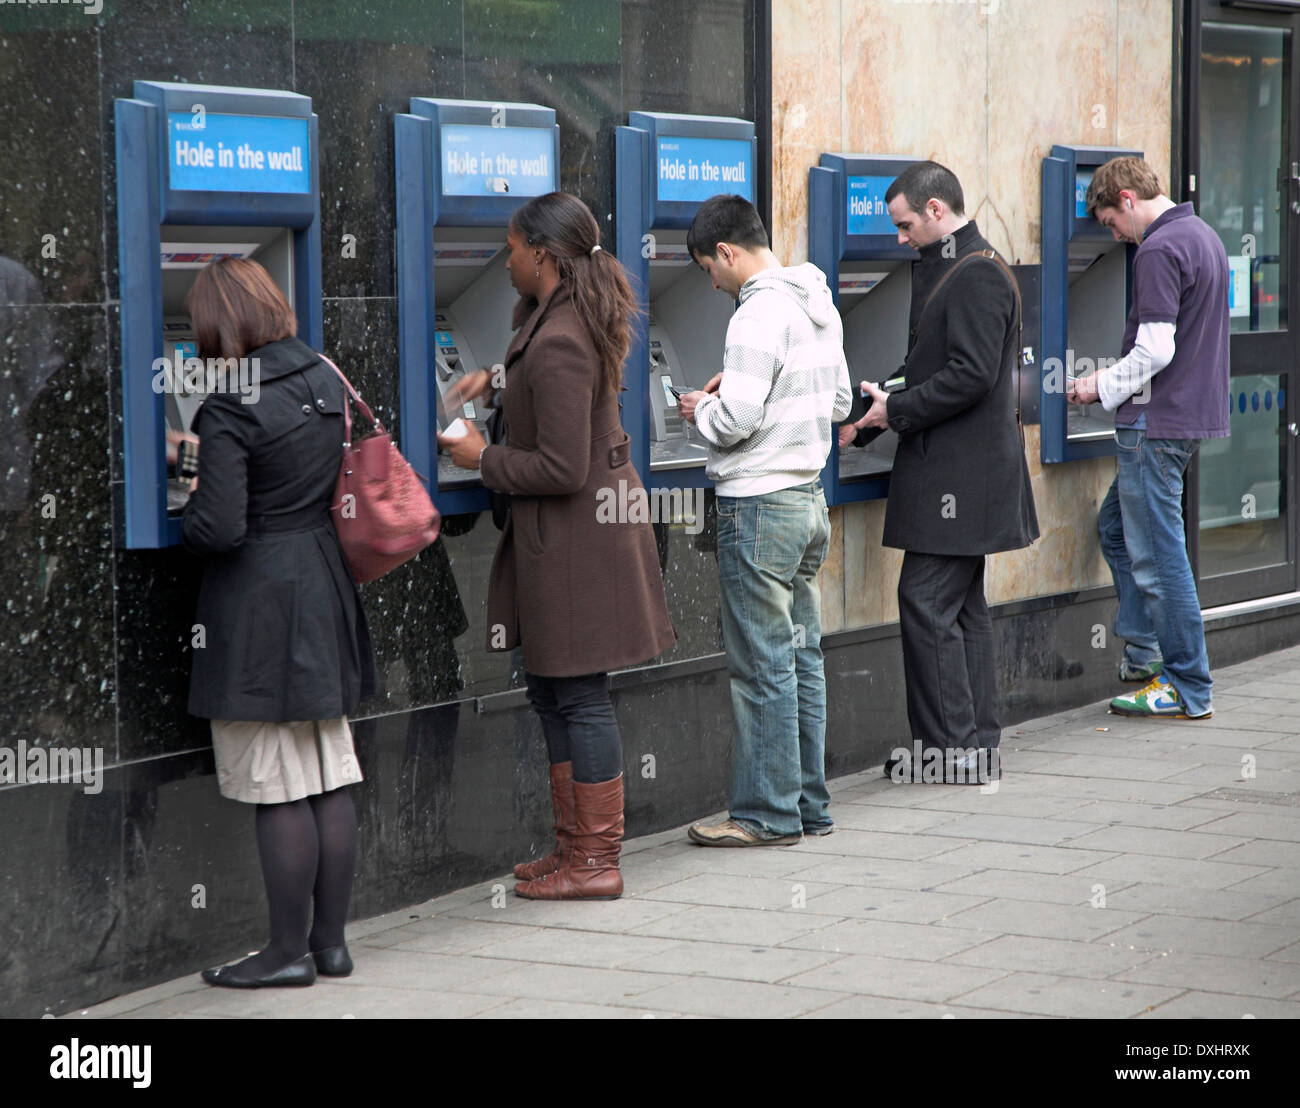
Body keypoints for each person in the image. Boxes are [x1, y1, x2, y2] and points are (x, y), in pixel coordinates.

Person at [438, 191, 675, 899]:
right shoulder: (553, 318)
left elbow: (562, 466)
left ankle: (597, 863)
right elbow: (547, 389)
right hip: (568, 539)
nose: (504, 261)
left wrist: (482, 457)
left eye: (510, 249)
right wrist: (500, 383)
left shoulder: (564, 334)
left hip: (581, 542)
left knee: (578, 694)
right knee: (550, 688)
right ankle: (574, 849)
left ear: (540, 254)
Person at [182, 258, 377, 987]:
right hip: (321, 580)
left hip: (260, 599)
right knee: (327, 769)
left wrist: (190, 476)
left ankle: (284, 954)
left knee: (275, 780)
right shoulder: (324, 374)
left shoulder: (229, 404)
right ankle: (329, 945)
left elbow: (220, 527)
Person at [846, 161, 1038, 784]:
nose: (900, 239)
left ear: (935, 210)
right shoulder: (953, 267)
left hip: (964, 476)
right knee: (960, 609)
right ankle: (974, 746)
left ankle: (949, 753)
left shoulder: (976, 273)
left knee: (925, 601)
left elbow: (972, 375)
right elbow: (935, 363)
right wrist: (883, 404)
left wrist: (897, 408)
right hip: (962, 472)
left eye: (905, 226)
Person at [675, 194, 852, 846]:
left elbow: (736, 419)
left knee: (761, 665)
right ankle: (808, 804)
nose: (711, 282)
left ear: (725, 252)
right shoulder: (815, 303)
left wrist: (698, 409)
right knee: (802, 656)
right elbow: (837, 401)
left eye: (706, 269)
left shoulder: (755, 314)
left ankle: (764, 814)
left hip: (758, 507)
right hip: (808, 502)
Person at [1069, 156, 1229, 719]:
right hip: (1185, 420)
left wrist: (1097, 387)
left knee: (1160, 559)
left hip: (1153, 426)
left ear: (1128, 201)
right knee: (1116, 530)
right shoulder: (1203, 235)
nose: (1114, 234)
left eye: (1111, 221)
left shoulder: (1159, 249)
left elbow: (1155, 350)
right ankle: (1146, 652)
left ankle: (1187, 685)